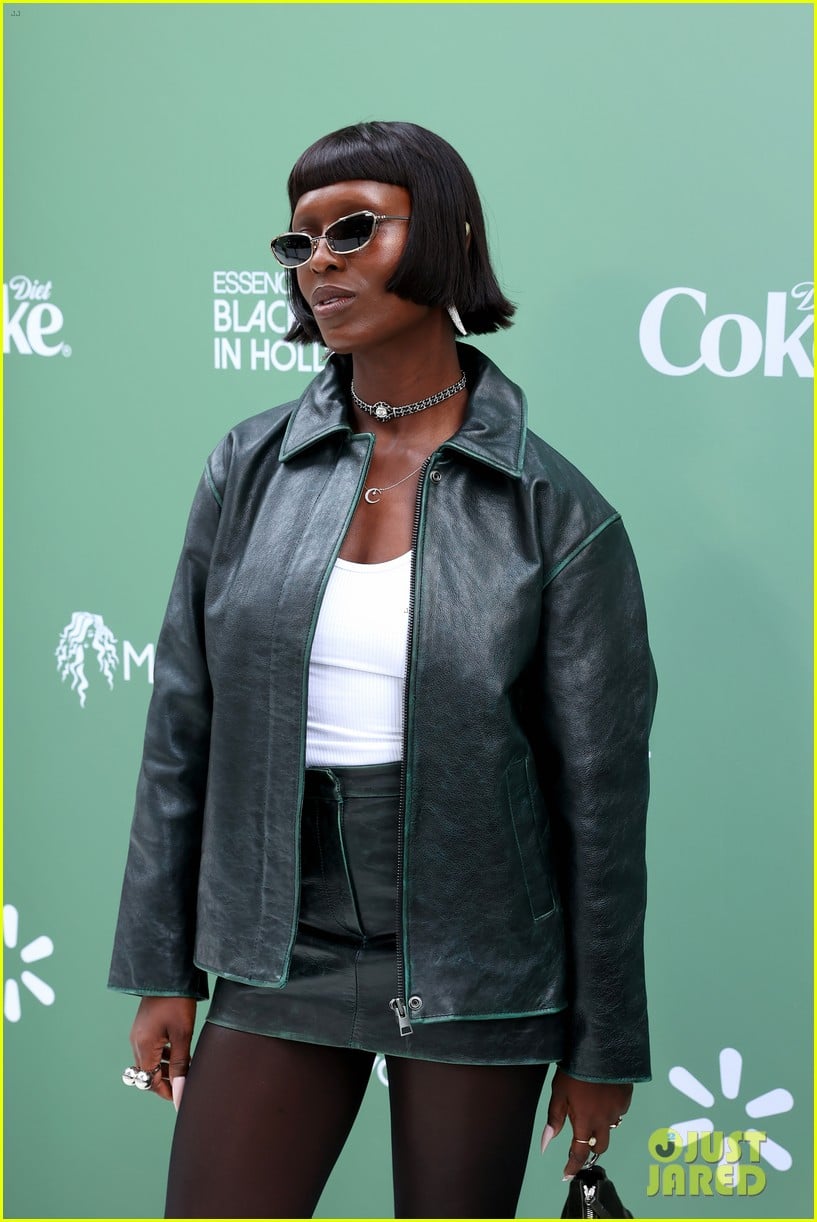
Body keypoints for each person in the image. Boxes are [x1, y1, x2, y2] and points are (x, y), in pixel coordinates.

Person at [109, 120, 657, 1220]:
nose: (320, 262)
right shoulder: (245, 469)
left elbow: (600, 804)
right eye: (300, 241)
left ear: (449, 234)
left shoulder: (554, 512)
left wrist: (603, 1043)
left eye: (354, 229)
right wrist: (162, 967)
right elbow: (181, 729)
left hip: (475, 958)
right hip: (277, 941)